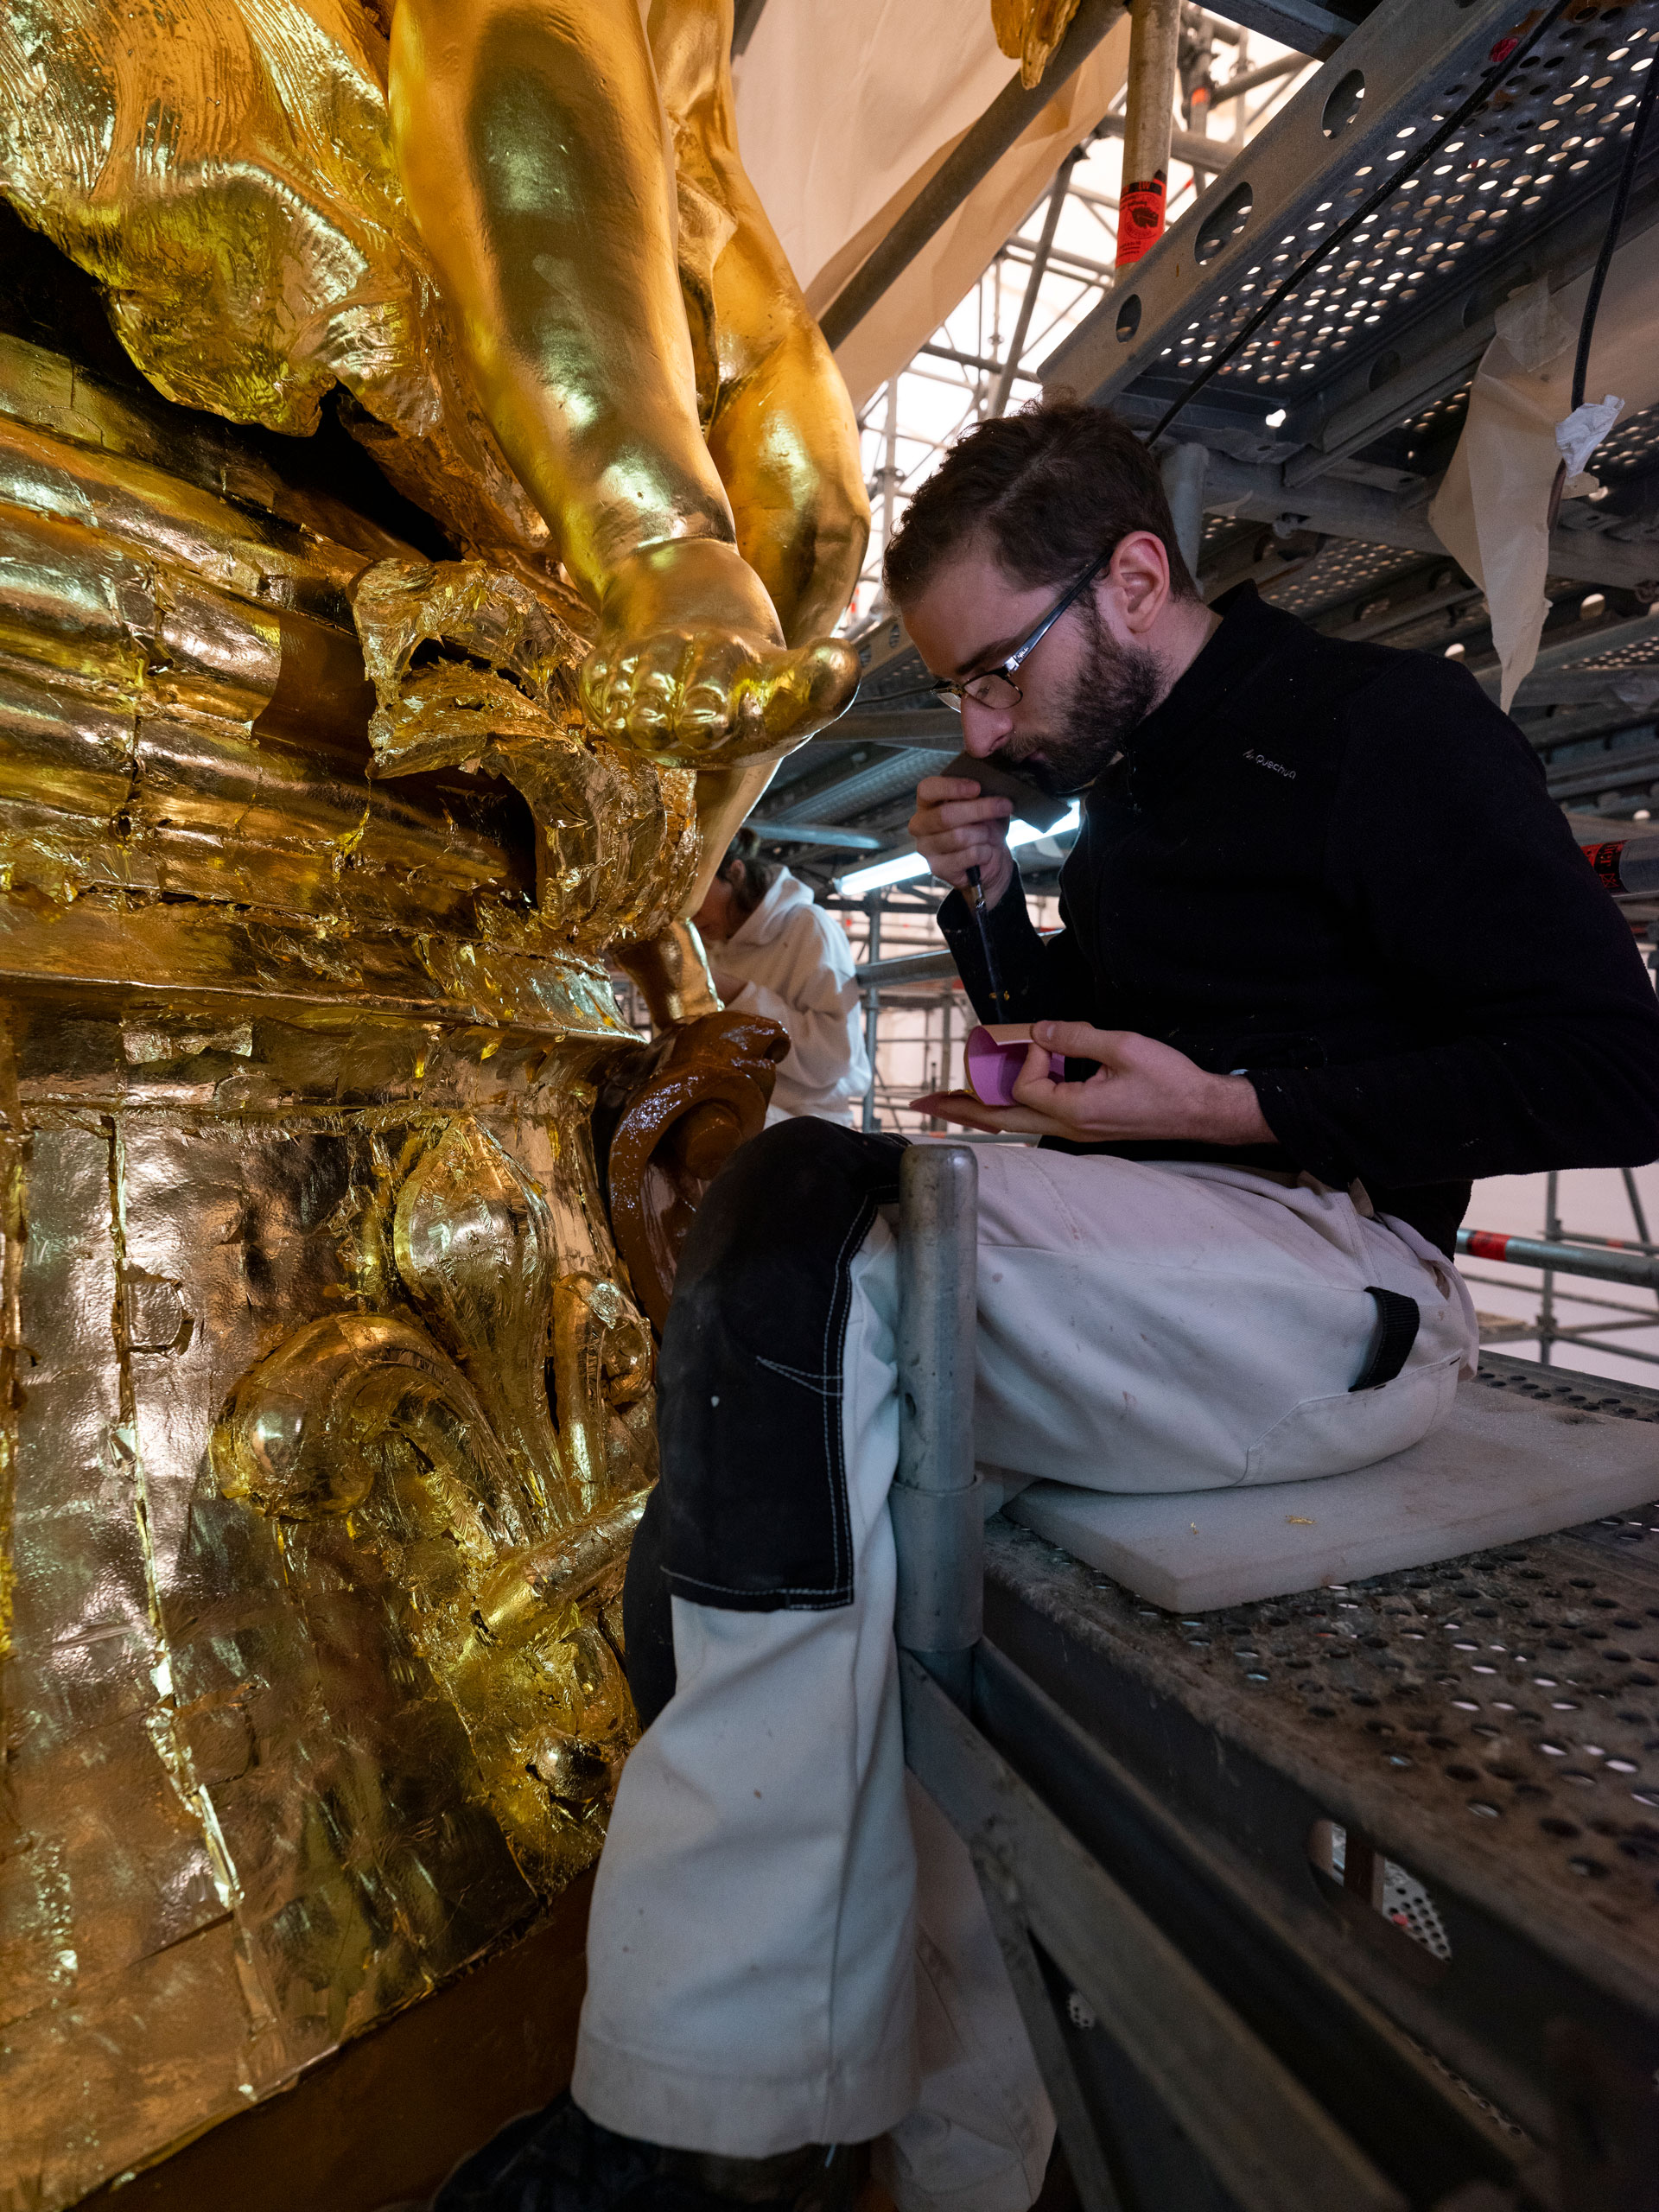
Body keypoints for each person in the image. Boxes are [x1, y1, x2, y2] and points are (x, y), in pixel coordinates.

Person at [459, 401, 1659, 2212]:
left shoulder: (1386, 735)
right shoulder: (1130, 813)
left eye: (993, 672)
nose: (978, 722)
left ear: (1137, 576)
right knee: (903, 1611)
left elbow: (1613, 1071)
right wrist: (990, 907)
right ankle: (947, 2169)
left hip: (1345, 1276)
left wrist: (1227, 1107)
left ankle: (702, 2108)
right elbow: (1064, 1060)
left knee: (802, 1220)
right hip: (1160, 1283)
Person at [691, 830, 872, 1124]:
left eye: (697, 891)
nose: (691, 911)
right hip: (745, 1114)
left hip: (807, 1124)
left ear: (735, 872)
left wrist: (739, 994)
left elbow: (834, 1057)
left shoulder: (808, 928)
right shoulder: (716, 945)